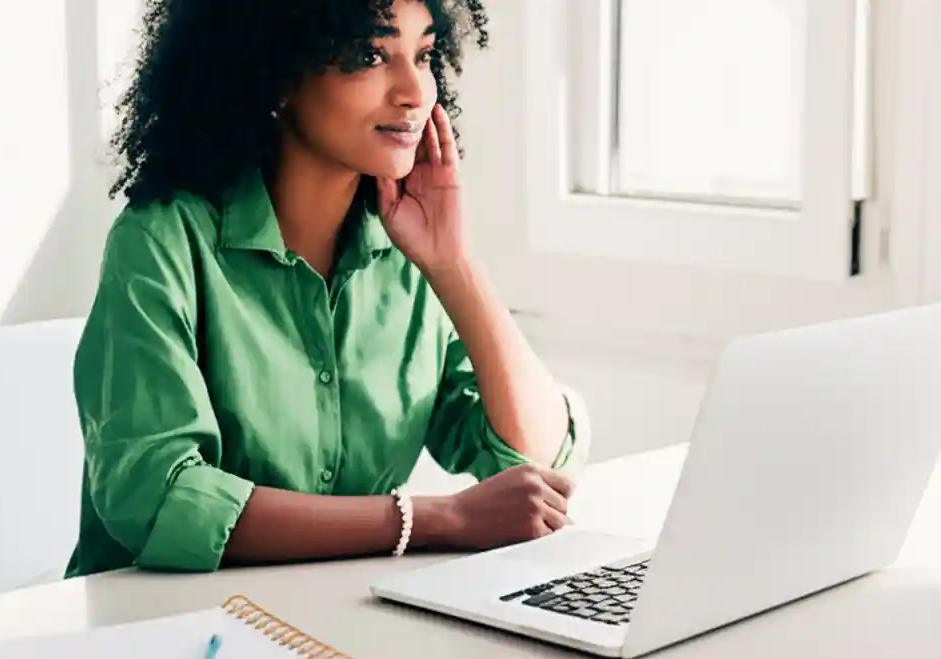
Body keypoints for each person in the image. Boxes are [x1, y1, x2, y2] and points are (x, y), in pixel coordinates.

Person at [66, 0, 589, 577]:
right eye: (371, 55)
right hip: (154, 620)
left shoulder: (409, 251)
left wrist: (455, 264)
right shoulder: (161, 241)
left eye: (423, 54)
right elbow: (160, 501)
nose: (415, 92)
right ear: (278, 72)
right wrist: (433, 520)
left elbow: (537, 464)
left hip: (335, 612)